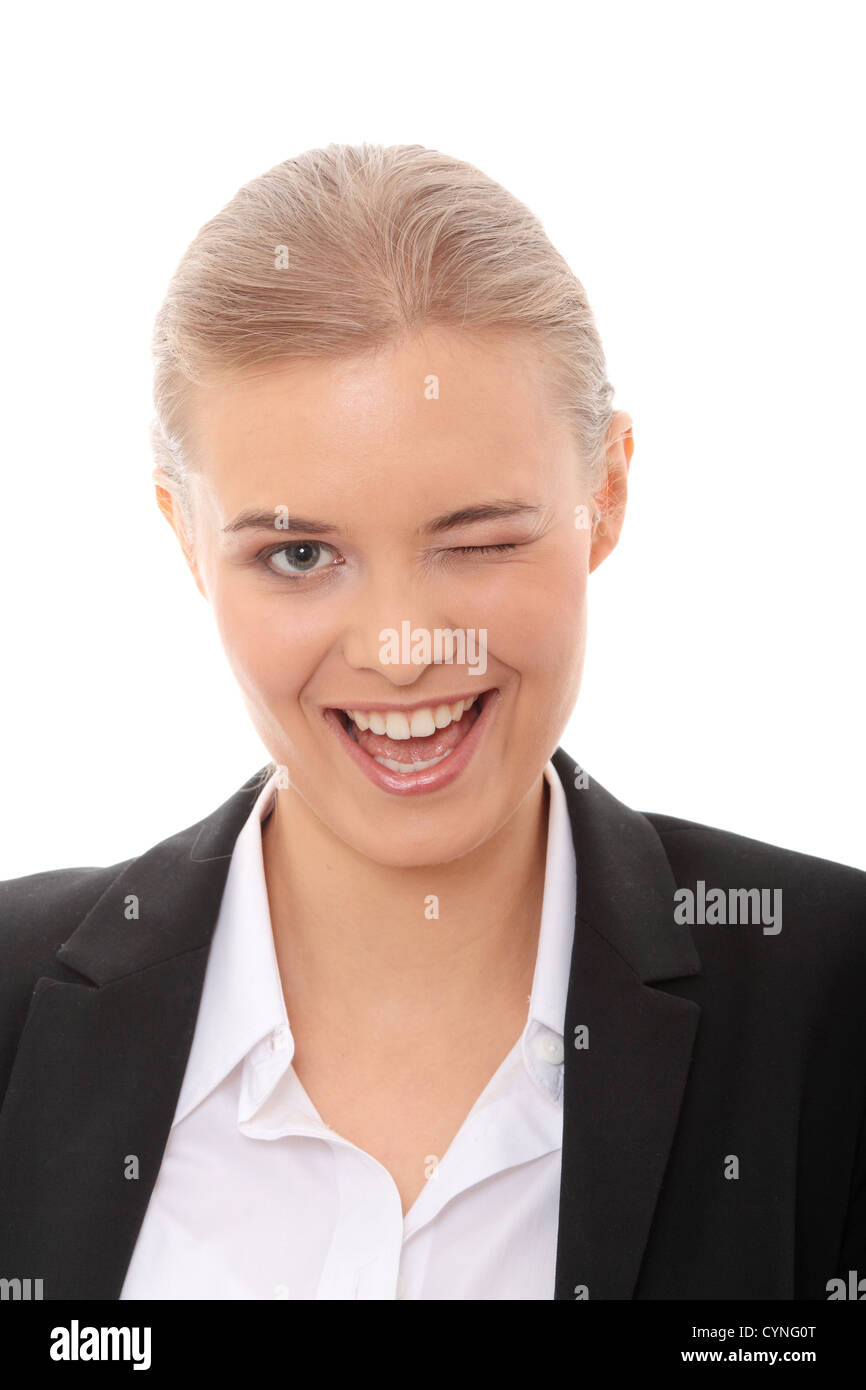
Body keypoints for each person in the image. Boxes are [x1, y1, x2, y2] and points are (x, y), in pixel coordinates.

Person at [1, 144, 864, 1301]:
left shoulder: (833, 1005)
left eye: (478, 541)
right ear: (182, 536)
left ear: (603, 492)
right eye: (297, 554)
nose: (403, 647)